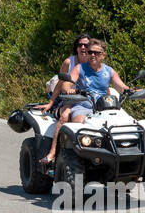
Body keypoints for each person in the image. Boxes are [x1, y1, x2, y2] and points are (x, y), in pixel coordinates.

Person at [43, 37, 130, 166]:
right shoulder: (79, 68)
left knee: (122, 124)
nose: (92, 55)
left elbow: (121, 87)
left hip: (104, 107)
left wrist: (131, 91)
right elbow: (66, 83)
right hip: (83, 104)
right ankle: (55, 152)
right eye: (90, 52)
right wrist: (69, 90)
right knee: (78, 123)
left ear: (103, 55)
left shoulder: (109, 71)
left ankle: (119, 155)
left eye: (96, 53)